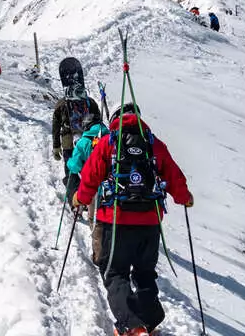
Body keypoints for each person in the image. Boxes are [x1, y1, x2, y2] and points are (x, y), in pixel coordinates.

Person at [73, 104, 193, 336]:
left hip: (116, 221)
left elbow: (90, 176)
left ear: (115, 119)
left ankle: (133, 327)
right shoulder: (153, 143)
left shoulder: (109, 143)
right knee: (144, 273)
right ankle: (150, 320)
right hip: (149, 222)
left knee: (116, 273)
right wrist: (185, 197)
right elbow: (174, 175)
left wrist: (80, 197)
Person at [67, 119, 110, 263]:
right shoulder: (111, 138)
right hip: (112, 188)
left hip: (92, 188)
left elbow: (74, 165)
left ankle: (99, 256)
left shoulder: (84, 141)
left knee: (95, 220)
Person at [52, 83, 101, 202]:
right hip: (87, 143)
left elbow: (56, 126)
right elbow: (98, 122)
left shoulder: (62, 104)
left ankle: (74, 199)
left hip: (69, 141)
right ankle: (86, 197)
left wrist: (56, 146)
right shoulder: (90, 103)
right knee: (87, 169)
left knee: (71, 170)